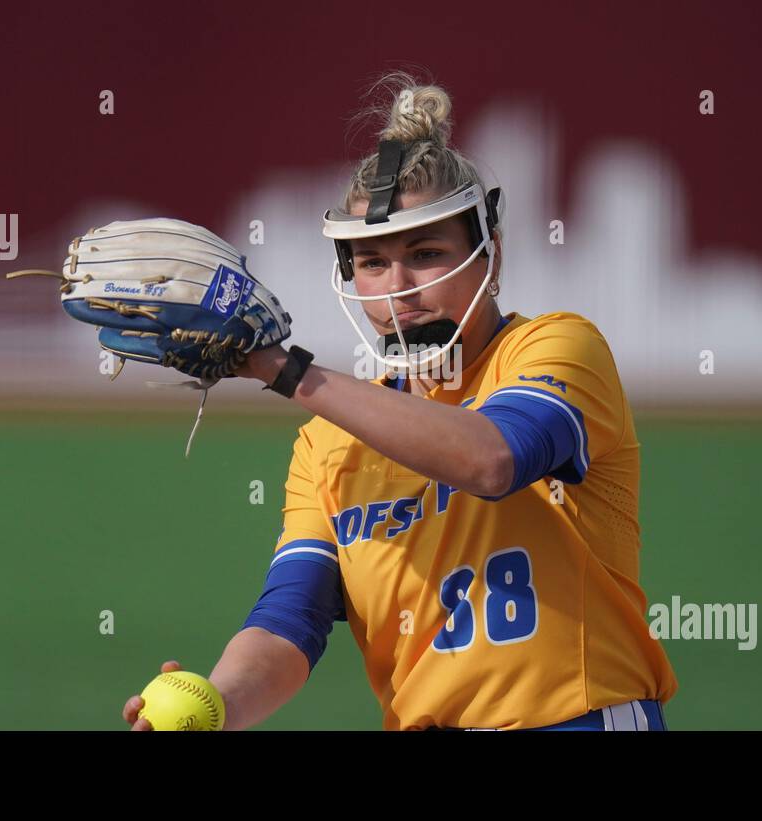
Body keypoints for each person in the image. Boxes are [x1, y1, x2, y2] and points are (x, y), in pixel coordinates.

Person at [122, 73, 677, 731]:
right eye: (372, 262)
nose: (398, 288)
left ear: (489, 253)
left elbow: (491, 459)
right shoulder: (328, 443)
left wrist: (282, 368)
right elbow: (289, 622)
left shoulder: (556, 348)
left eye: (425, 253)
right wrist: (219, 704)